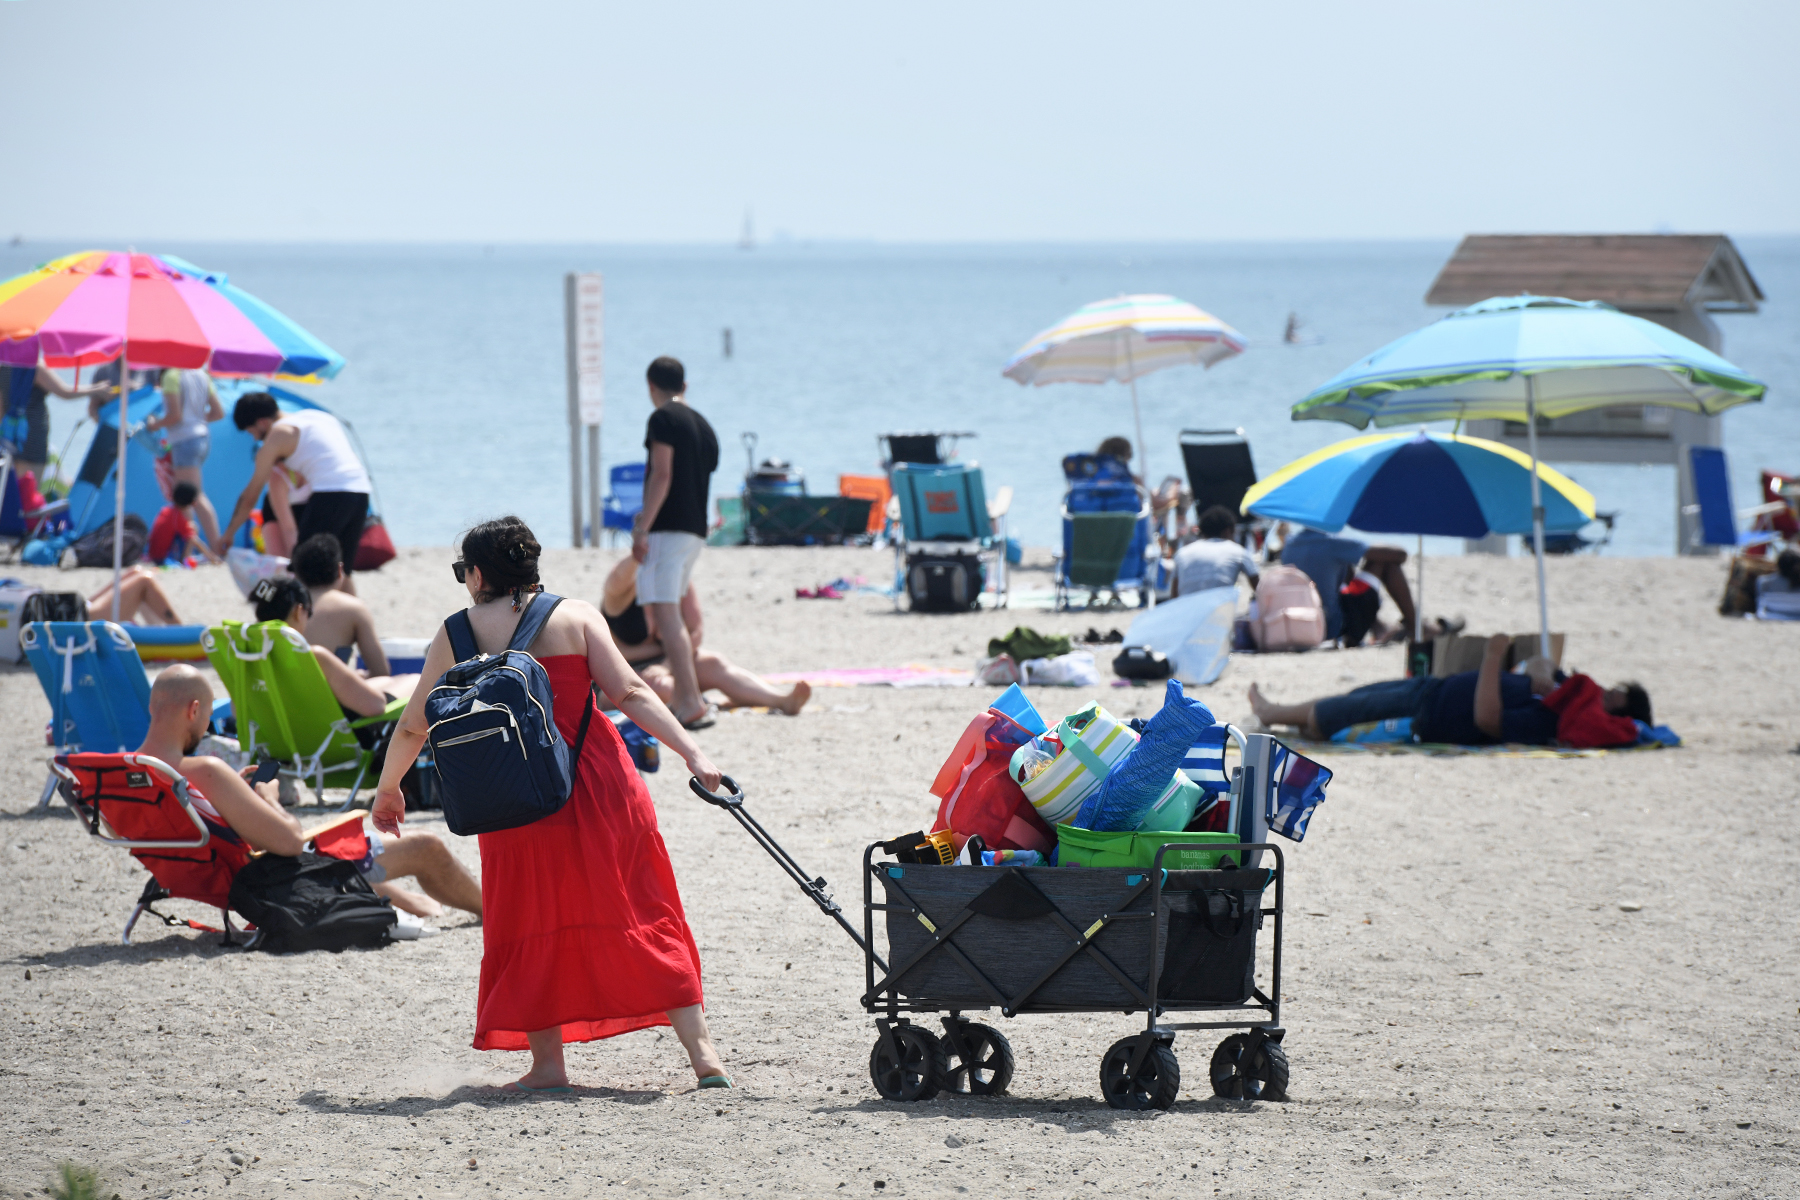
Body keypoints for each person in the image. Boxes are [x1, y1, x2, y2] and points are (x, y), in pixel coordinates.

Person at [370, 516, 732, 1094]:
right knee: (640, 902)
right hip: (598, 781)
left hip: (512, 794)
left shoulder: (457, 632)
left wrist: (389, 789)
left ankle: (548, 1065)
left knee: (527, 915)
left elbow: (415, 724)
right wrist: (693, 752)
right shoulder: (579, 615)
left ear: (479, 573)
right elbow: (632, 693)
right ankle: (703, 1053)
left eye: (464, 571)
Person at [136, 665, 482, 918]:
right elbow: (289, 842)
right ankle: (491, 911)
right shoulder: (205, 771)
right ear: (194, 710)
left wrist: (236, 798)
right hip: (275, 877)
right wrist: (268, 799)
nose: (205, 725)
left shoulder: (124, 773)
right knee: (427, 846)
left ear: (153, 707)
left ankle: (408, 903)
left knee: (390, 878)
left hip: (203, 874)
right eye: (207, 717)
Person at [1248, 633, 1652, 746]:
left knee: (1345, 710)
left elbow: (1488, 720)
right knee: (1358, 699)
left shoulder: (1550, 719)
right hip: (1438, 688)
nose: (1606, 691)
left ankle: (1273, 713)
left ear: (1619, 707)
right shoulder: (1564, 696)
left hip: (1435, 713)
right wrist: (1543, 671)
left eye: (1615, 693)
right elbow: (1542, 664)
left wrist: (1493, 658)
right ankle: (1296, 721)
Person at [601, 556, 810, 714]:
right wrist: (642, 545)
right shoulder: (621, 590)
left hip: (668, 662)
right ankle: (705, 703)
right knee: (661, 685)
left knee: (714, 663)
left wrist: (666, 664)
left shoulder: (676, 577)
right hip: (621, 671)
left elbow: (696, 632)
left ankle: (781, 701)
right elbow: (609, 650)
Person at [631, 357, 720, 729]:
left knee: (667, 616)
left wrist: (641, 527)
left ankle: (689, 701)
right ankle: (690, 697)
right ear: (684, 385)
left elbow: (662, 474)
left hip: (668, 529)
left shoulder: (663, 419)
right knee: (673, 616)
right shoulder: (704, 425)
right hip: (696, 529)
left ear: (651, 385)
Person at [214, 393, 372, 593]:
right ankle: (354, 621)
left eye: (251, 431)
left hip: (330, 494)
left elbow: (250, 496)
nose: (254, 438)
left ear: (262, 423)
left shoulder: (278, 435)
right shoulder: (318, 417)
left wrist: (228, 534)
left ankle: (314, 621)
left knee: (306, 568)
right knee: (342, 569)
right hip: (360, 491)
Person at [249, 575, 416, 718]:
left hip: (276, 739)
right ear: (298, 611)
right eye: (309, 612)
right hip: (324, 742)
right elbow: (376, 706)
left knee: (384, 680)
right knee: (414, 680)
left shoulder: (248, 654)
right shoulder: (314, 656)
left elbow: (236, 711)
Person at [1279, 527, 1418, 646]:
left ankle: (1381, 628)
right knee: (1385, 563)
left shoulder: (1290, 544)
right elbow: (1400, 555)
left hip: (1299, 622)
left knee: (1344, 580)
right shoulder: (1331, 543)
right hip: (1333, 627)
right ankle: (1414, 626)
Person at [143, 368, 224, 549]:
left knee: (190, 497)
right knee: (190, 495)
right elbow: (218, 412)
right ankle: (195, 546)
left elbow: (175, 416)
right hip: (202, 438)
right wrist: (197, 420)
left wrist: (154, 425)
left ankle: (208, 547)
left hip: (184, 441)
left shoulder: (172, 376)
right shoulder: (202, 374)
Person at [289, 533, 389, 673]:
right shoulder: (353, 608)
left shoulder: (284, 604)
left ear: (297, 574)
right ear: (340, 571)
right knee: (408, 680)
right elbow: (381, 671)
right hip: (328, 691)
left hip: (283, 690)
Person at [2, 364, 106, 482]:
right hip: (31, 435)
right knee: (28, 489)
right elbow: (64, 391)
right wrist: (98, 389)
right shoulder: (34, 366)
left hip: (8, 435)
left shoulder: (5, 365)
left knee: (7, 488)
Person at [1171, 505, 1259, 597]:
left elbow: (1174, 595)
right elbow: (1260, 588)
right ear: (1228, 531)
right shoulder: (1238, 551)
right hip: (1220, 608)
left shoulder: (1182, 553)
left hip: (1188, 609)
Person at [147, 481, 222, 566]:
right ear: (193, 503)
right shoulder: (177, 518)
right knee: (192, 531)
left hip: (153, 555)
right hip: (162, 559)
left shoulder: (166, 511)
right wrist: (212, 558)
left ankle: (186, 558)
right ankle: (184, 559)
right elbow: (194, 540)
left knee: (190, 529)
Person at [87, 563, 182, 624]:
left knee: (136, 571)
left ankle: (159, 632)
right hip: (82, 618)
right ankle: (180, 632)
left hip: (83, 607)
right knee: (145, 580)